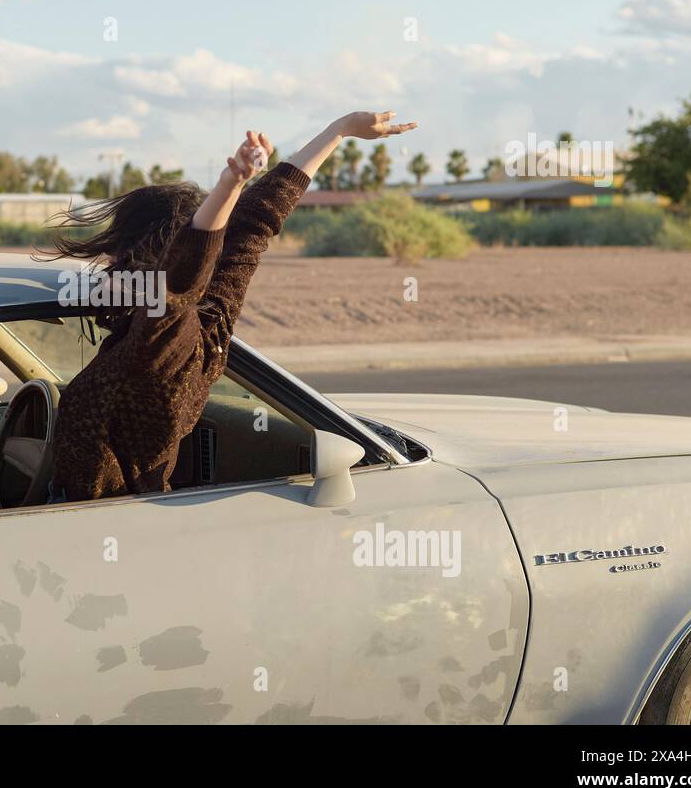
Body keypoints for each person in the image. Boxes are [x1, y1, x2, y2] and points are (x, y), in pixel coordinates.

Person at [46, 111, 417, 501]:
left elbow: (179, 282)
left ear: (142, 253)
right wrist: (339, 130)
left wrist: (231, 183)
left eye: (119, 251)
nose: (110, 264)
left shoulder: (161, 346)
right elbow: (258, 221)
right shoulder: (214, 316)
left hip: (94, 524)